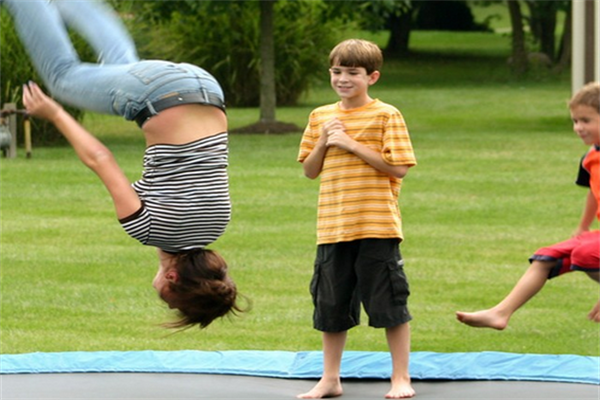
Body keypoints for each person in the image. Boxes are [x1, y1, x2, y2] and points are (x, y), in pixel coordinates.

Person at [3, 0, 243, 329]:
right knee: (61, 77)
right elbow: (100, 158)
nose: (157, 291)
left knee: (123, 65)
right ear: (172, 277)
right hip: (157, 96)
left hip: (204, 87)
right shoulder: (148, 228)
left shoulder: (217, 225)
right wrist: (54, 113)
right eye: (165, 297)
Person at [297, 39, 417, 399]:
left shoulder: (386, 115)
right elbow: (309, 170)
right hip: (333, 227)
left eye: (353, 73)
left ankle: (401, 378)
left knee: (389, 303)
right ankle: (330, 379)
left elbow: (398, 167)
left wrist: (350, 144)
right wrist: (325, 142)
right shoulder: (320, 116)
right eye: (337, 72)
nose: (343, 79)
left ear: (372, 77)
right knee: (330, 304)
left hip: (376, 224)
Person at [456, 82, 600, 329]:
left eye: (586, 121)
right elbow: (593, 192)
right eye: (575, 121)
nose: (578, 128)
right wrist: (583, 226)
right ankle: (501, 313)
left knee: (585, 255)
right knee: (545, 257)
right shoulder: (589, 157)